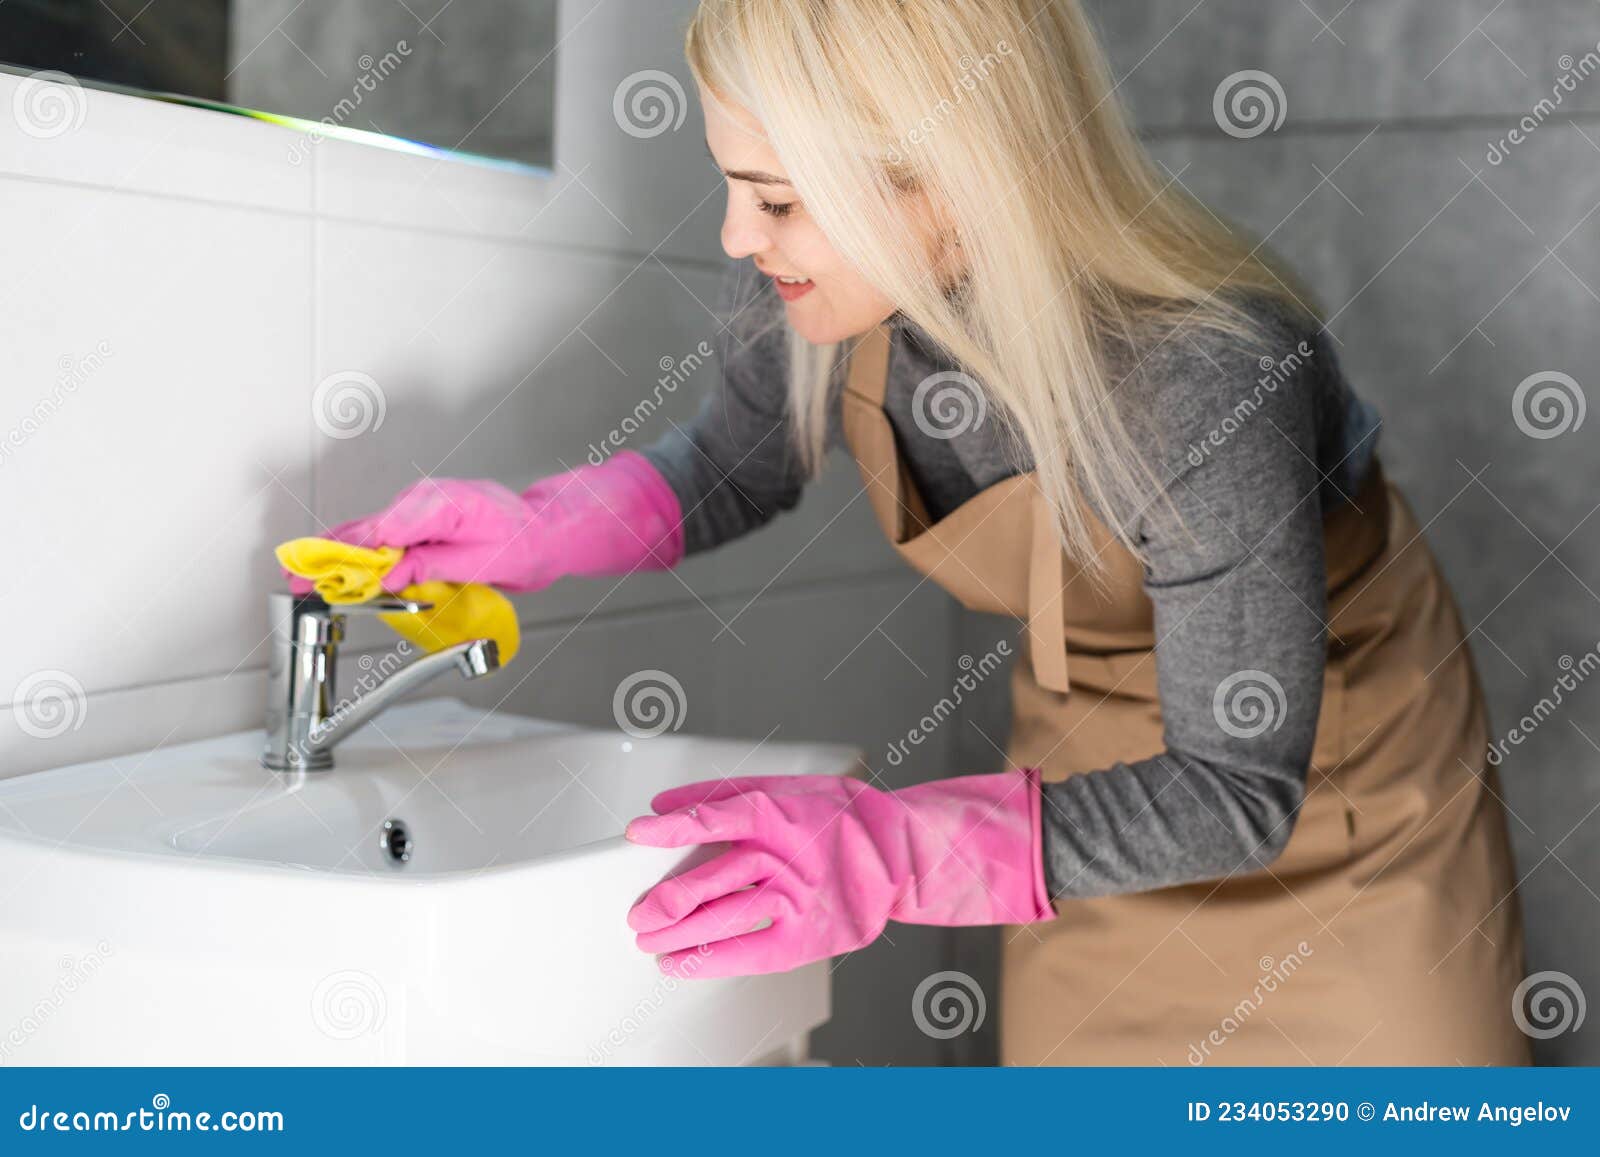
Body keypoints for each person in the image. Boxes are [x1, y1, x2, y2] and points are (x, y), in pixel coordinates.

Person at [298, 0, 1530, 1065]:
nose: (738, 235)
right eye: (736, 185)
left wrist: (893, 852)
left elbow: (1235, 787)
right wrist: (536, 529)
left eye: (776, 197)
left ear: (951, 180)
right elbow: (738, 464)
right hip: (1079, 807)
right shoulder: (820, 280)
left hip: (1333, 805)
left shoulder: (1205, 379)